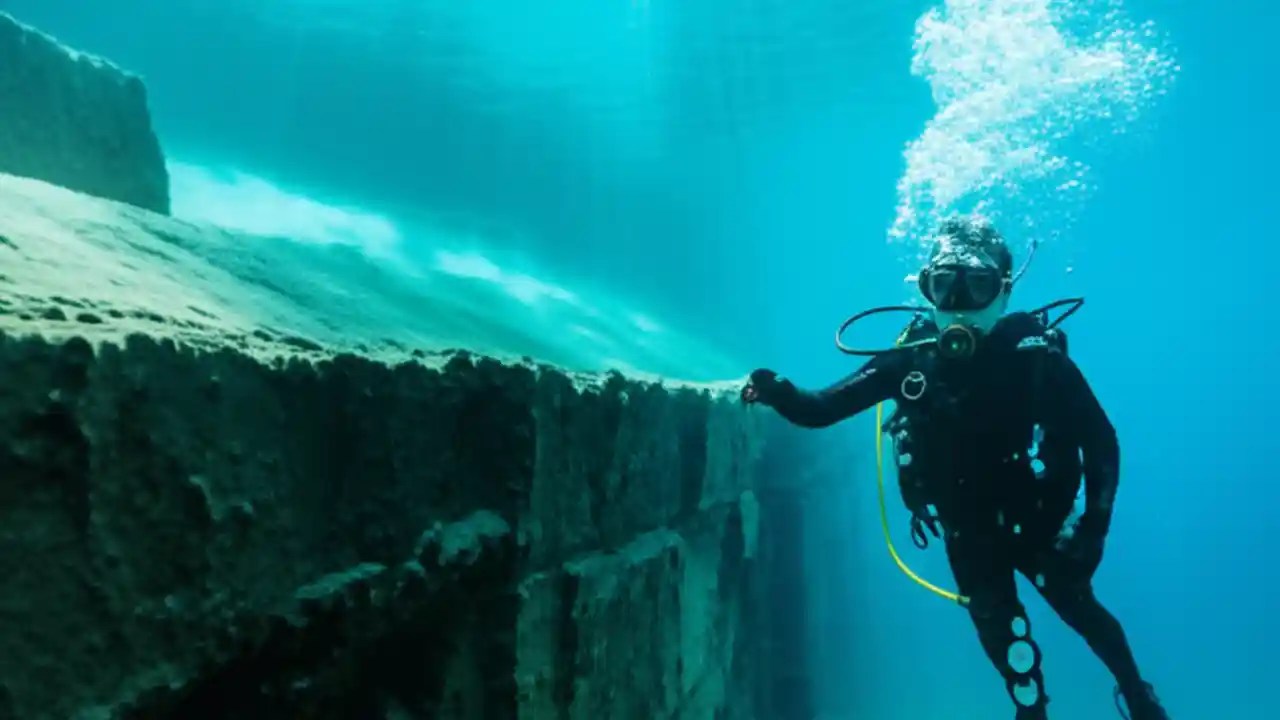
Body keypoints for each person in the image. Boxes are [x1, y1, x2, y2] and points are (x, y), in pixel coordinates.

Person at [740, 216, 1169, 720]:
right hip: (968, 530)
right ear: (927, 291)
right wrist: (779, 391)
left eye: (978, 285)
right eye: (945, 286)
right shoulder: (911, 360)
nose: (961, 303)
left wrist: (1093, 529)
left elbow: (1101, 443)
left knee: (1079, 608)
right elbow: (822, 408)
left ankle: (1137, 694)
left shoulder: (1037, 358)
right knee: (1009, 646)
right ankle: (1033, 712)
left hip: (1036, 514)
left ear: (1004, 292)